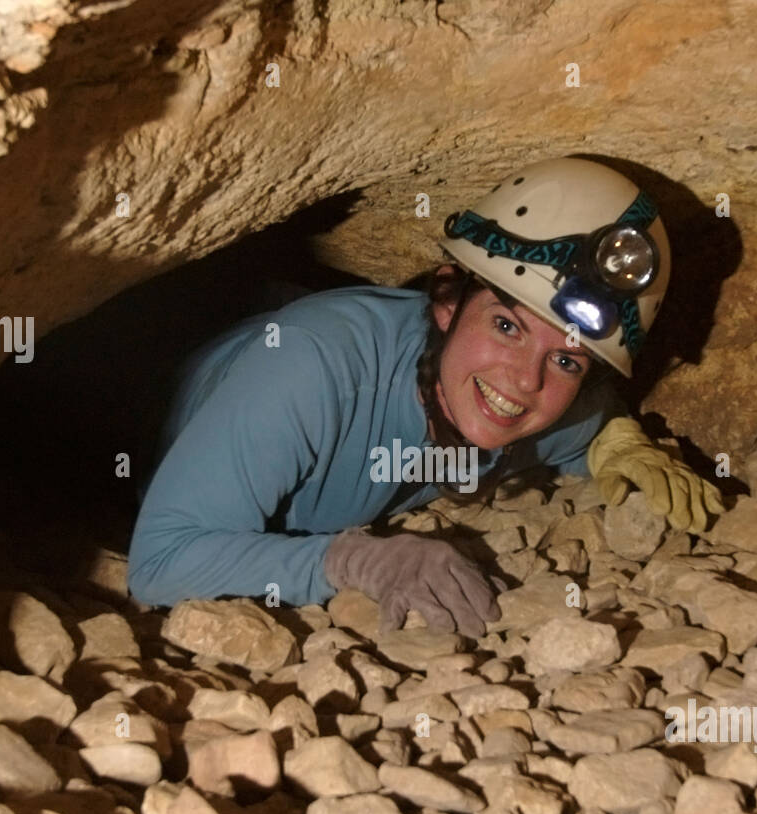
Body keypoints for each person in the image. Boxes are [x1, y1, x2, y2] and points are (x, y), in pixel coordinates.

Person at [127, 156, 724, 638]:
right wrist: (351, 561)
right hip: (128, 383)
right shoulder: (308, 366)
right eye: (507, 326)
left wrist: (621, 444)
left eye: (566, 358)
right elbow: (159, 564)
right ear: (446, 299)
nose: (524, 380)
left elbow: (588, 423)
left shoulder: (529, 405)